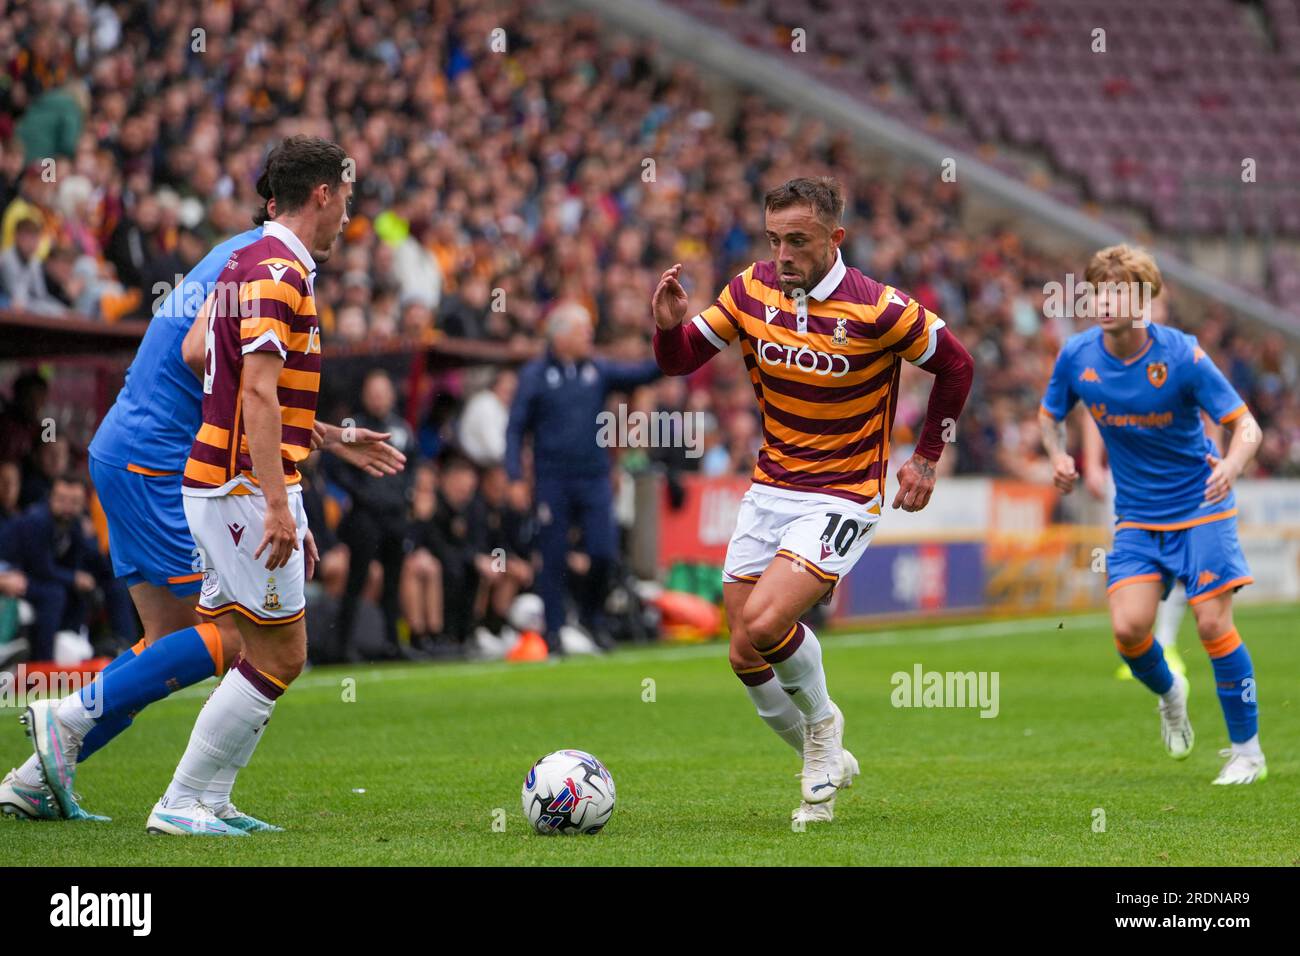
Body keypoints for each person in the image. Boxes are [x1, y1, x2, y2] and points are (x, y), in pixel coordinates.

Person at [6, 148, 400, 825]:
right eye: (347, 196)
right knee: (234, 641)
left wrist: (326, 435)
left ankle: (32, 780)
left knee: (168, 646)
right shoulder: (268, 266)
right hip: (164, 457)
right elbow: (209, 361)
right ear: (319, 195)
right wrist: (274, 487)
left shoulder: (237, 251)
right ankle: (67, 720)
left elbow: (219, 363)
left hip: (128, 448)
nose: (352, 212)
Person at [651, 176, 974, 824]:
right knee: (743, 648)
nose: (783, 254)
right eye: (774, 239)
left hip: (844, 494)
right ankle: (822, 755)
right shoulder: (749, 288)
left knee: (769, 624)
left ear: (836, 238)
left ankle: (824, 726)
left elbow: (956, 365)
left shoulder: (880, 309)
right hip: (772, 487)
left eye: (797, 240)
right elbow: (681, 360)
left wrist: (927, 458)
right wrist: (667, 326)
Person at [1039, 244, 1265, 785]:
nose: (1106, 300)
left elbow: (1248, 427)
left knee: (1213, 623)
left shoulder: (1183, 355)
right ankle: (1171, 695)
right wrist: (1058, 456)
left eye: (1120, 290)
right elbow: (1048, 417)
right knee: (1129, 632)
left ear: (1147, 299)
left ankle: (1247, 753)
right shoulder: (1077, 356)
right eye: (1099, 290)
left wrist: (1231, 466)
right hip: (1137, 518)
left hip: (1201, 508)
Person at [505, 301, 662, 653]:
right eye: (582, 331)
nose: (589, 336)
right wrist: (514, 476)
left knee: (603, 550)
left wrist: (674, 346)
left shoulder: (597, 370)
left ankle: (592, 617)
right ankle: (555, 629)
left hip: (593, 477)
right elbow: (516, 429)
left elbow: (641, 374)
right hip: (552, 478)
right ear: (559, 335)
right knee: (553, 554)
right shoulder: (534, 375)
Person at [330, 368, 417, 660]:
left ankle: (392, 642)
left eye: (383, 392)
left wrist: (404, 495)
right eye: (373, 393)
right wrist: (363, 494)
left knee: (394, 580)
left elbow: (412, 468)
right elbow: (337, 469)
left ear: (392, 395)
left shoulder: (402, 429)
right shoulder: (352, 428)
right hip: (364, 515)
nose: (378, 399)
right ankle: (344, 644)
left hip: (394, 515)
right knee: (358, 578)